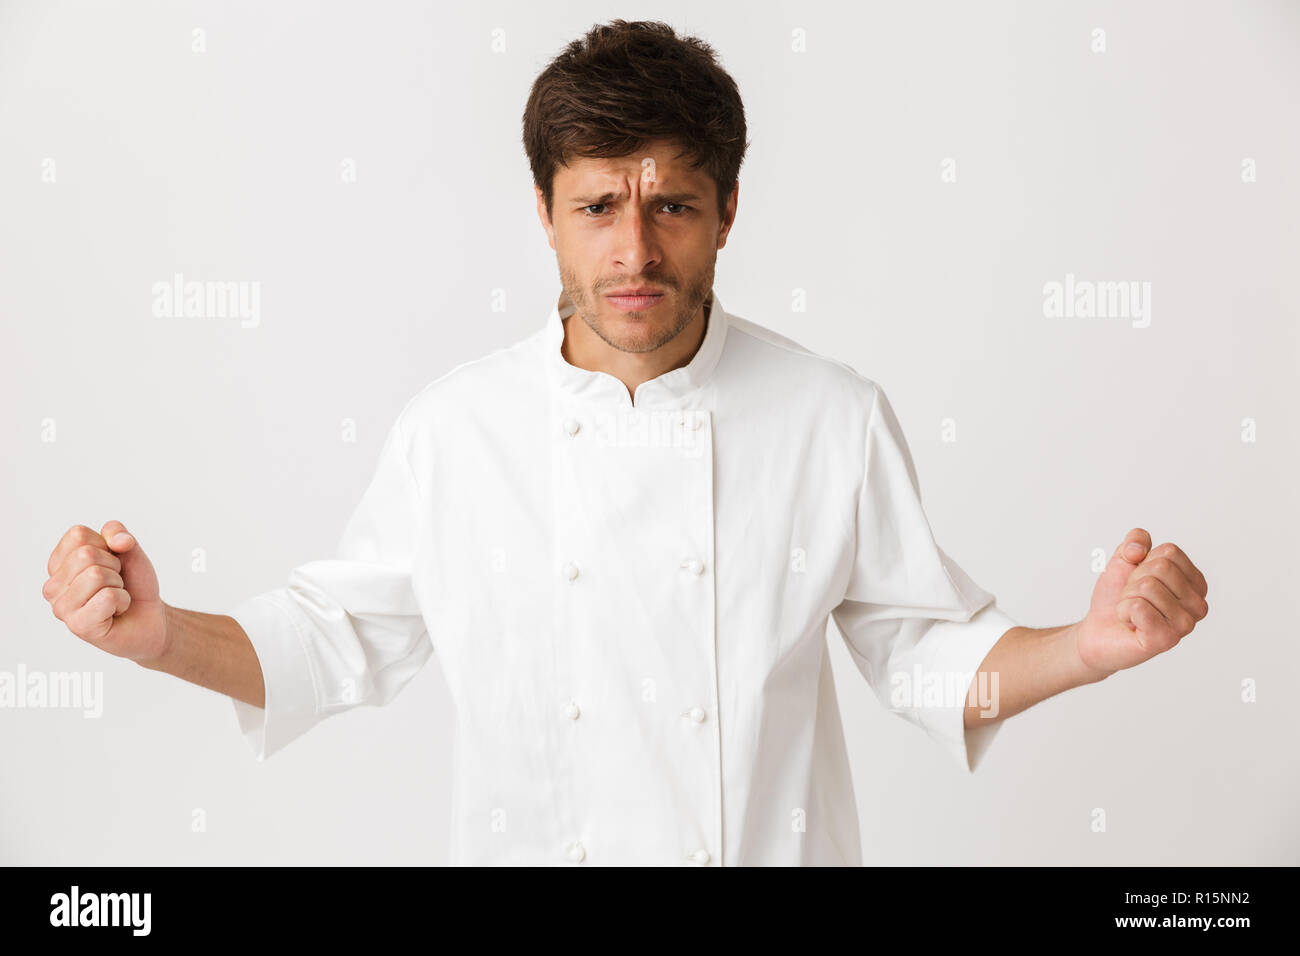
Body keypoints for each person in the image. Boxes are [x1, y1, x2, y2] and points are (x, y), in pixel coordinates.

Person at [40, 19, 1208, 866]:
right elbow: (328, 641)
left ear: (728, 211)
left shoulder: (828, 415)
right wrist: (154, 635)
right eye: (599, 205)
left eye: (673, 206)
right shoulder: (458, 431)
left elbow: (928, 655)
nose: (634, 250)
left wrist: (1092, 645)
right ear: (544, 214)